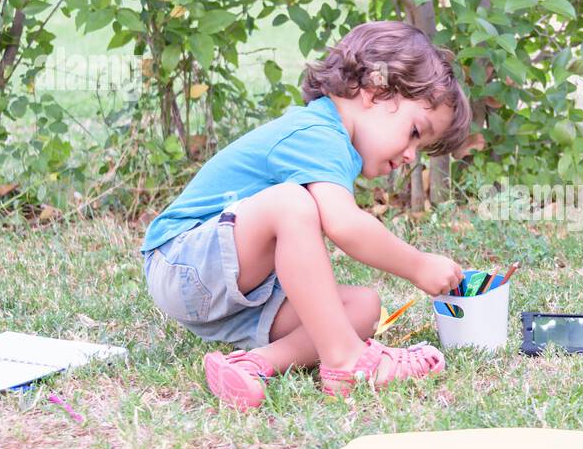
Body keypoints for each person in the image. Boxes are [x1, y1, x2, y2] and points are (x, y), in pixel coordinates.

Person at [140, 21, 471, 406]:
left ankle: (251, 366)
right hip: (182, 261)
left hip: (234, 291)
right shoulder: (317, 131)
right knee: (291, 204)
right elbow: (345, 226)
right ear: (376, 91)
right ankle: (346, 361)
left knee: (363, 307)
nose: (412, 156)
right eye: (416, 131)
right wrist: (418, 265)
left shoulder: (332, 142)